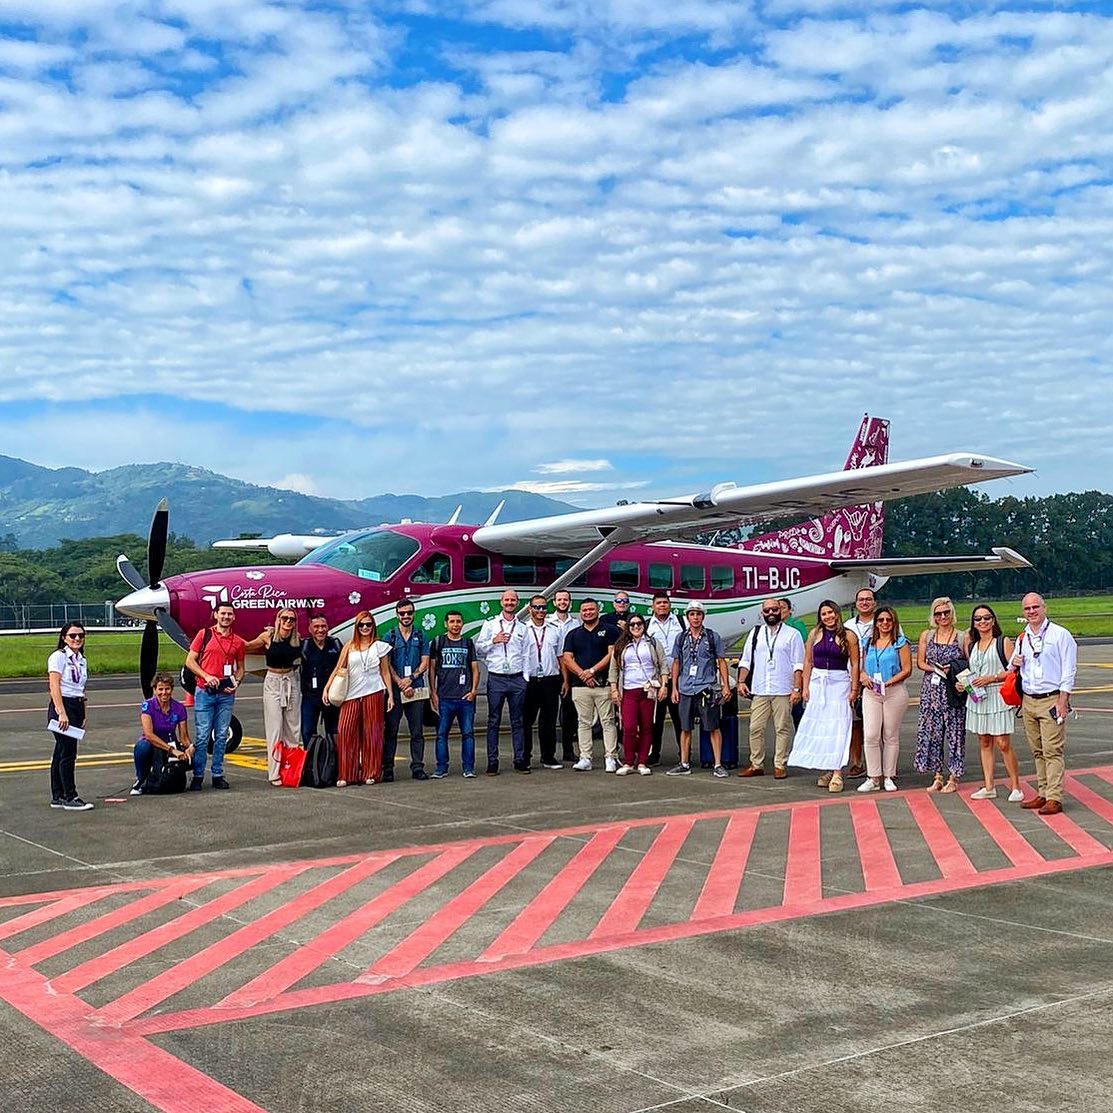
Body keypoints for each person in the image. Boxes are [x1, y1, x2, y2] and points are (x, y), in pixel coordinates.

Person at [1011, 593, 1077, 815]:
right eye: (1027, 608)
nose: (1031, 612)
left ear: (1044, 607)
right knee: (1037, 750)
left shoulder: (1060, 635)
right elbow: (1012, 666)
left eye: (1035, 607)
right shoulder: (1023, 638)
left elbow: (1068, 670)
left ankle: (1055, 797)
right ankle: (1043, 792)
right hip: (1029, 699)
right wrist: (1015, 662)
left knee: (1052, 750)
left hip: (1051, 698)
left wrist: (1063, 699)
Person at [788, 601, 860, 792]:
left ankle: (837, 772)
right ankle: (828, 768)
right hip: (818, 684)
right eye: (824, 614)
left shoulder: (849, 636)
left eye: (830, 613)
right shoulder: (814, 634)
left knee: (838, 726)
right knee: (822, 726)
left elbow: (854, 664)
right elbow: (808, 661)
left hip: (839, 684)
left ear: (836, 614)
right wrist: (804, 687)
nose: (828, 617)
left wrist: (854, 689)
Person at [737, 599, 804, 780]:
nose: (771, 613)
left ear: (781, 611)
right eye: (767, 610)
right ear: (762, 613)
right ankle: (756, 763)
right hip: (760, 688)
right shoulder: (756, 633)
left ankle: (780, 764)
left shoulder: (793, 634)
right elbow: (745, 659)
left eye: (775, 609)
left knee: (782, 728)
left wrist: (797, 688)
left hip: (783, 688)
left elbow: (798, 664)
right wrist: (741, 681)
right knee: (755, 728)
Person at [962, 604, 1023, 802]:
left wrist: (992, 678)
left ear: (993, 620)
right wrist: (963, 684)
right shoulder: (971, 645)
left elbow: (1013, 670)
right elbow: (970, 671)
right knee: (984, 741)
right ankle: (989, 786)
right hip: (978, 697)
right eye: (978, 619)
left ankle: (1016, 786)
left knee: (1003, 742)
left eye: (986, 618)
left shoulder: (1002, 642)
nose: (982, 622)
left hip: (997, 695)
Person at [324, 611, 393, 786]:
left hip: (374, 691)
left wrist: (390, 694)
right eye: (361, 625)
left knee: (372, 734)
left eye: (368, 625)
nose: (364, 628)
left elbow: (385, 671)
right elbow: (339, 668)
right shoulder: (349, 645)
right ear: (356, 627)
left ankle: (371, 772)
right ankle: (347, 773)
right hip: (351, 694)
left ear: (373, 626)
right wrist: (327, 687)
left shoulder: (379, 646)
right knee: (345, 731)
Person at [184, 602, 246, 791]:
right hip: (205, 692)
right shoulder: (204, 635)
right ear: (216, 615)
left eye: (230, 614)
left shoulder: (238, 642)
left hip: (226, 695)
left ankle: (218, 774)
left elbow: (241, 667)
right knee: (203, 736)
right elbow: (190, 661)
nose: (226, 617)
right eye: (223, 613)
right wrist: (206, 676)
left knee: (221, 735)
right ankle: (198, 774)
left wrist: (236, 682)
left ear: (234, 617)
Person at [666, 601, 731, 778]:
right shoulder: (680, 638)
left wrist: (725, 685)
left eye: (698, 614)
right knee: (685, 728)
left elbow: (721, 660)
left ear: (703, 616)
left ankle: (718, 764)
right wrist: (674, 688)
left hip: (706, 687)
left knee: (713, 727)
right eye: (692, 614)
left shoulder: (712, 636)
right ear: (687, 617)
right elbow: (676, 662)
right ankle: (684, 763)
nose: (695, 617)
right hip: (686, 687)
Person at [856, 605, 911, 793]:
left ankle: (888, 775)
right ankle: (873, 776)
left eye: (888, 620)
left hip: (893, 690)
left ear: (893, 622)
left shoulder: (900, 642)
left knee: (890, 734)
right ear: (876, 623)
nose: (885, 623)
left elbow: (907, 669)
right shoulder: (866, 643)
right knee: (870, 734)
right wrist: (862, 676)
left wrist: (889, 682)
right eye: (881, 620)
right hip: (872, 691)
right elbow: (858, 665)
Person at [914, 597, 967, 793]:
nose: (942, 616)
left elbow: (967, 663)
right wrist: (936, 670)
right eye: (938, 613)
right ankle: (937, 774)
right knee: (933, 734)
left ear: (952, 613)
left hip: (952, 691)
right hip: (931, 691)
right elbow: (920, 662)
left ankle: (954, 776)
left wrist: (952, 671)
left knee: (955, 734)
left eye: (946, 612)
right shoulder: (927, 636)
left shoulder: (962, 637)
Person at [476, 590, 531, 774]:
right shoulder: (490, 624)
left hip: (517, 679)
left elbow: (527, 654)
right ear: (501, 602)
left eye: (513, 600)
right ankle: (492, 762)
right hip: (497, 678)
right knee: (493, 721)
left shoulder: (523, 627)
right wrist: (494, 640)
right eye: (506, 600)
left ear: (517, 602)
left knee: (518, 721)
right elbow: (479, 649)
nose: (509, 603)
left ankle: (520, 760)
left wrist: (525, 678)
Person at [561, 599, 620, 771]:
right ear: (580, 613)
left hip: (603, 684)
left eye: (591, 609)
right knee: (583, 723)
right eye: (584, 610)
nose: (588, 612)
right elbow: (567, 658)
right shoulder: (573, 634)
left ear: (597, 610)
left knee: (608, 721)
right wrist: (583, 674)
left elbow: (612, 654)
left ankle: (611, 756)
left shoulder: (610, 630)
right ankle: (585, 757)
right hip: (580, 686)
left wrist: (592, 671)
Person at [248, 608, 303, 786]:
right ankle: (274, 773)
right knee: (275, 728)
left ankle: (292, 769)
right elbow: (247, 646)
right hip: (272, 680)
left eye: (292, 619)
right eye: (284, 618)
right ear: (278, 619)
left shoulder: (297, 638)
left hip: (290, 680)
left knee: (293, 728)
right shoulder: (268, 636)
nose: (288, 622)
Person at [608, 614, 668, 774]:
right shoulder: (620, 645)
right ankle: (628, 761)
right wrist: (614, 689)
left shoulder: (653, 643)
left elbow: (663, 665)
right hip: (628, 690)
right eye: (632, 624)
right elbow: (613, 669)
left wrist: (663, 686)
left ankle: (642, 761)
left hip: (648, 690)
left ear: (644, 625)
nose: (636, 627)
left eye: (639, 623)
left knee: (648, 726)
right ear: (628, 627)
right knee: (629, 727)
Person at [46, 622, 93, 810]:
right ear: (64, 637)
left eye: (81, 635)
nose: (77, 639)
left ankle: (57, 795)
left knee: (60, 752)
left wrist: (83, 713)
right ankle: (70, 796)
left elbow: (80, 688)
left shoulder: (82, 659)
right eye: (72, 636)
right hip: (63, 705)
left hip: (77, 705)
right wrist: (61, 712)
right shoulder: (58, 657)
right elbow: (54, 685)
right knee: (68, 752)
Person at [383, 600, 431, 781]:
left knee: (417, 731)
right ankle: (388, 767)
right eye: (402, 613)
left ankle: (417, 767)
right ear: (397, 615)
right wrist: (399, 682)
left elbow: (425, 661)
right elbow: (386, 663)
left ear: (413, 614)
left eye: (409, 613)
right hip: (395, 692)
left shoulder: (421, 635)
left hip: (415, 689)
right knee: (391, 731)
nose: (406, 616)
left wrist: (410, 680)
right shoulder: (390, 636)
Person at [428, 611, 480, 778]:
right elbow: (432, 669)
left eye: (458, 621)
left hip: (465, 698)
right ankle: (441, 768)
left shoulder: (468, 643)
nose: (455, 625)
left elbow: (475, 669)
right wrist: (433, 692)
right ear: (446, 624)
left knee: (468, 733)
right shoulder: (438, 642)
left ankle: (469, 768)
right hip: (444, 698)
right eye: (452, 621)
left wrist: (473, 691)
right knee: (441, 734)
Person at [132, 672, 194, 794]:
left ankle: (189, 779)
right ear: (154, 690)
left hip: (171, 742)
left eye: (167, 689)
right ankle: (141, 779)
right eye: (160, 689)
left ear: (172, 689)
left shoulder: (179, 708)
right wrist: (171, 750)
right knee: (142, 747)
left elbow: (184, 737)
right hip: (154, 744)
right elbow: (149, 734)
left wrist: (190, 748)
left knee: (196, 757)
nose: (164, 693)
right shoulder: (148, 706)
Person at [523, 595, 564, 769]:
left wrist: (565, 680)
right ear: (530, 608)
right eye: (537, 607)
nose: (540, 611)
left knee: (548, 720)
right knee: (526, 721)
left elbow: (561, 656)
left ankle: (548, 756)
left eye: (543, 607)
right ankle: (524, 756)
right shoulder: (523, 629)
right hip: (529, 680)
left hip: (551, 679)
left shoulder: (555, 629)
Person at [843, 587, 878, 778]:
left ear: (874, 603)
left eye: (868, 599)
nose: (865, 602)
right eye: (861, 600)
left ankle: (881, 764)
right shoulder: (848, 626)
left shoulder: (884, 622)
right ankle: (857, 762)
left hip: (878, 680)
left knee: (878, 725)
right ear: (856, 603)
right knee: (855, 724)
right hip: (853, 679)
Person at [647, 592, 684, 766]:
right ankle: (654, 754)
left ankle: (684, 754)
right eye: (659, 603)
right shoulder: (647, 625)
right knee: (656, 720)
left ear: (670, 605)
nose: (662, 605)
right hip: (657, 681)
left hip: (678, 680)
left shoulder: (680, 622)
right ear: (653, 606)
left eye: (665, 603)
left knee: (680, 720)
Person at [546, 589, 581, 762]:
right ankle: (549, 754)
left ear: (570, 602)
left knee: (569, 713)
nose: (562, 602)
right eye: (559, 599)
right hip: (551, 672)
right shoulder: (546, 622)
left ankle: (568, 751)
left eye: (565, 600)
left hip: (570, 672)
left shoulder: (576, 624)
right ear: (554, 602)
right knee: (549, 714)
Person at [300, 612, 342, 742]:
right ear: (310, 629)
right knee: (307, 731)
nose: (320, 630)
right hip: (311, 696)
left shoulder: (335, 644)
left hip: (331, 696)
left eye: (323, 626)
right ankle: (311, 759)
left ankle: (333, 760)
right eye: (316, 627)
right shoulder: (304, 646)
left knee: (334, 732)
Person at [780, 598, 809, 729]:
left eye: (783, 608)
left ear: (790, 610)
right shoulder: (774, 628)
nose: (779, 611)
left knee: (798, 714)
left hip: (796, 674)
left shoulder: (797, 625)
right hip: (782, 676)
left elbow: (805, 649)